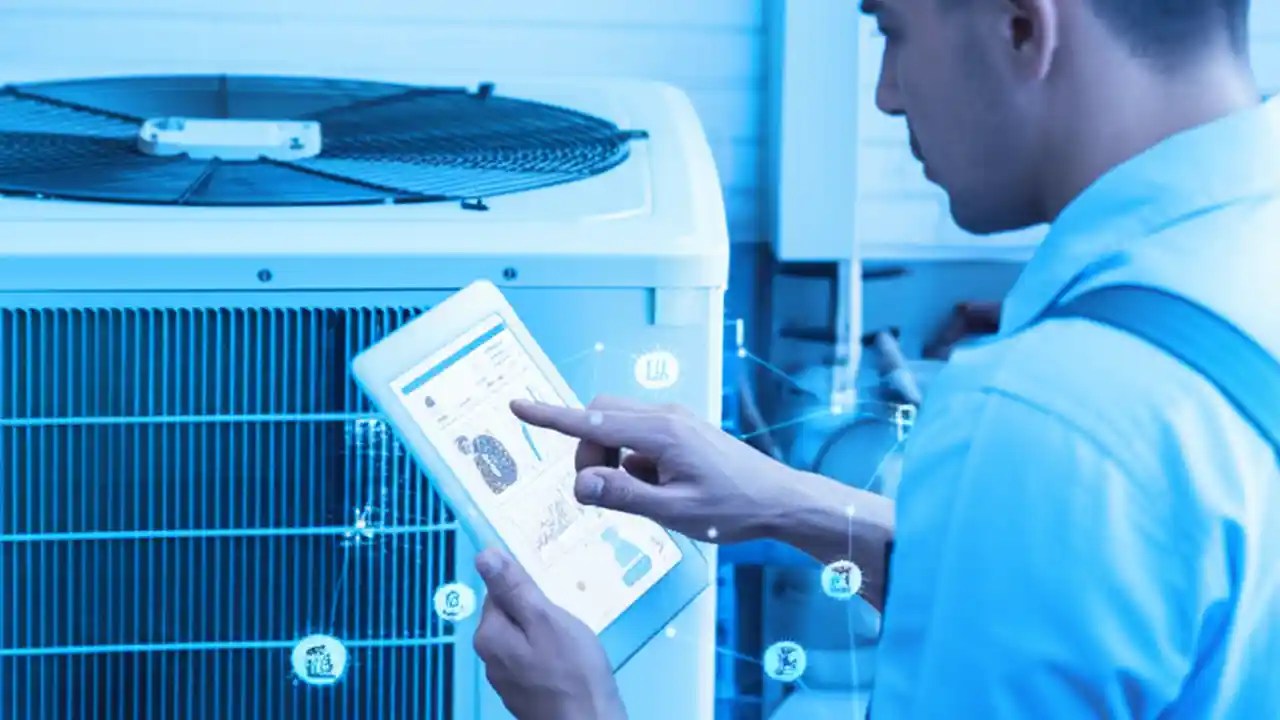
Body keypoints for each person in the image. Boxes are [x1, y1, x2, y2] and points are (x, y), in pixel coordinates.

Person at [470, 0, 1280, 717]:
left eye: (891, 31)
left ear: (1023, 27)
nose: (887, 93)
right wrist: (790, 505)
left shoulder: (1047, 415)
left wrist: (580, 710)